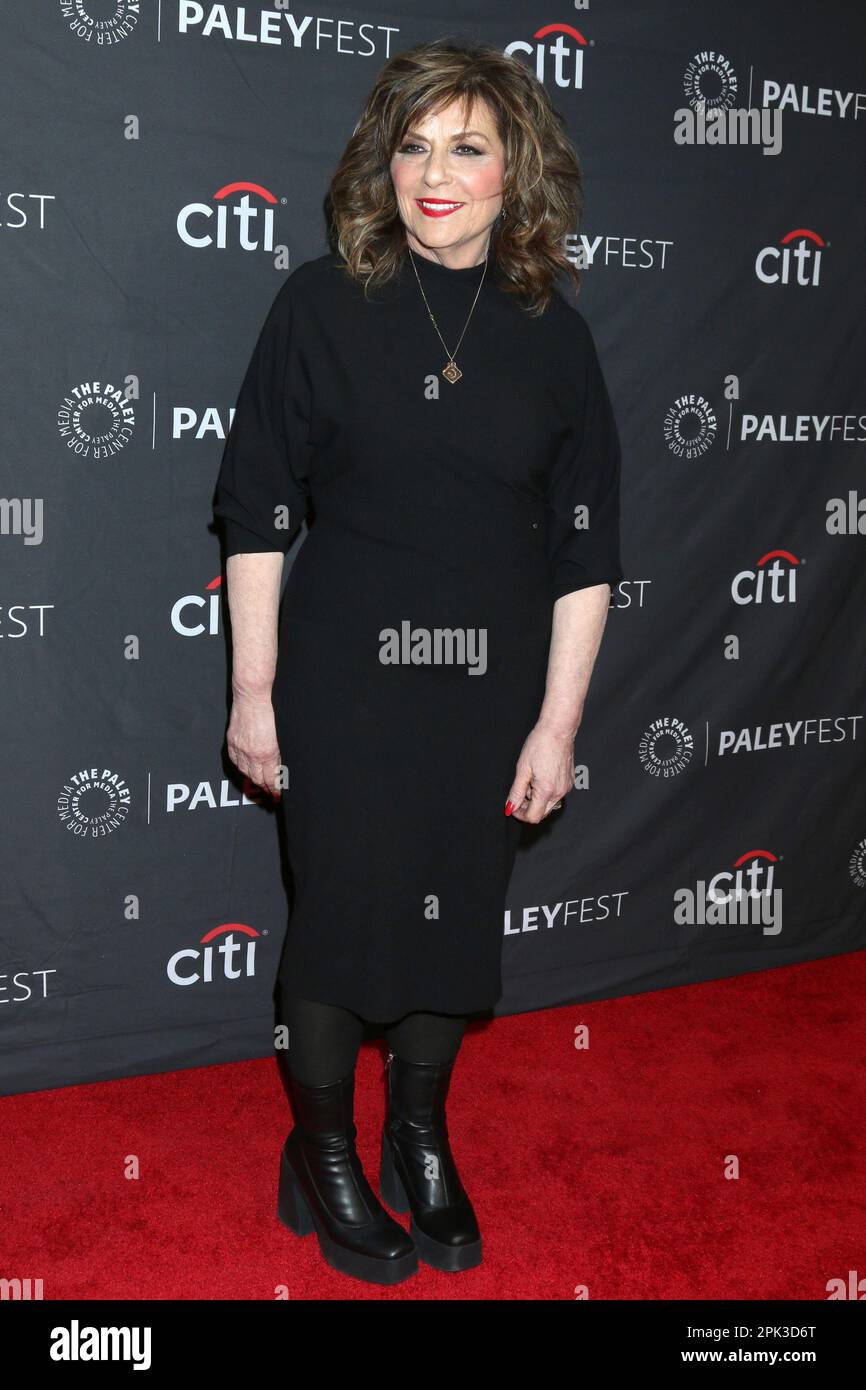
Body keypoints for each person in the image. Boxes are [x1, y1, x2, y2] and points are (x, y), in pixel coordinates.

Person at [212, 37, 624, 1286]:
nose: (432, 173)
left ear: (518, 175)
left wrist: (555, 723)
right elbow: (254, 507)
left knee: (453, 930)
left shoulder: (555, 334)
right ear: (379, 162)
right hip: (338, 681)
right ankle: (324, 1152)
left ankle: (418, 1137)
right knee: (338, 926)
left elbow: (588, 544)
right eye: (411, 144)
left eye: (466, 148)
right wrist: (252, 691)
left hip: (487, 691)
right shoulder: (317, 304)